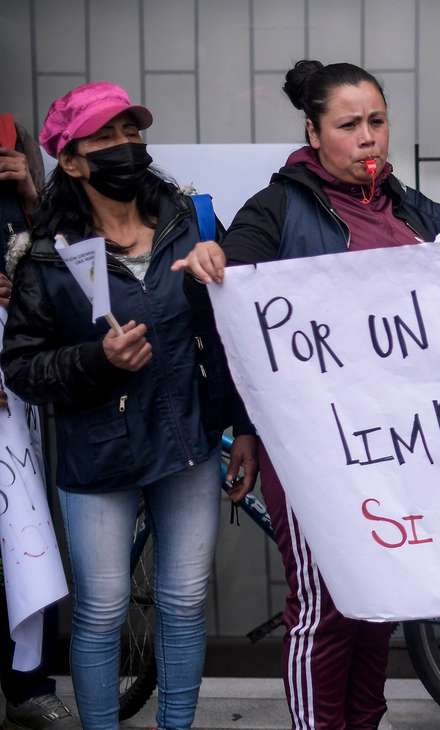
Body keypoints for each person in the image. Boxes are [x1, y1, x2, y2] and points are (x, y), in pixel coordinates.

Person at [174, 59, 440, 730]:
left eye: (377, 122)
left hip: (400, 445)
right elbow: (230, 305)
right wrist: (208, 267)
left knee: (378, 599)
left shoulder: (418, 211)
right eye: (349, 125)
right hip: (309, 448)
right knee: (323, 608)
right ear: (314, 132)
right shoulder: (277, 209)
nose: (368, 139)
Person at [0, 81, 257, 730]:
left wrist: (243, 427)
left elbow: (236, 331)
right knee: (103, 609)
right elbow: (23, 368)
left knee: (183, 600)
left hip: (187, 444)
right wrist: (97, 361)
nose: (127, 146)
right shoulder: (47, 257)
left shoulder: (189, 220)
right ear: (73, 160)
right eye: (106, 137)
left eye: (132, 132)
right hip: (98, 456)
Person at [0, 115, 79, 730]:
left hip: (16, 395)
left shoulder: (24, 182)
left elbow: (66, 262)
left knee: (22, 531)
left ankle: (27, 684)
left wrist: (29, 192)